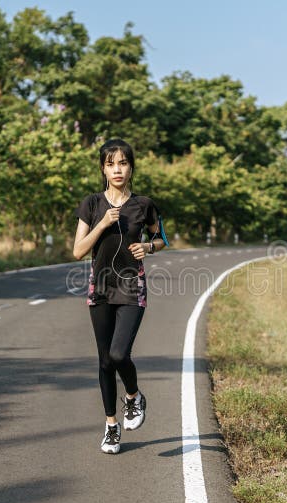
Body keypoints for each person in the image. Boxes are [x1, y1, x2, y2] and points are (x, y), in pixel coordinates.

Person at [72, 138, 168, 454]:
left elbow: (162, 237)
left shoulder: (144, 204)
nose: (117, 169)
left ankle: (133, 396)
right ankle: (111, 427)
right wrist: (102, 224)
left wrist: (150, 247)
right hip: (99, 288)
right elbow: (77, 251)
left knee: (118, 354)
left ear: (131, 167)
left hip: (131, 286)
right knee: (103, 361)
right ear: (103, 168)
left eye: (123, 163)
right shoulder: (91, 204)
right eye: (111, 163)